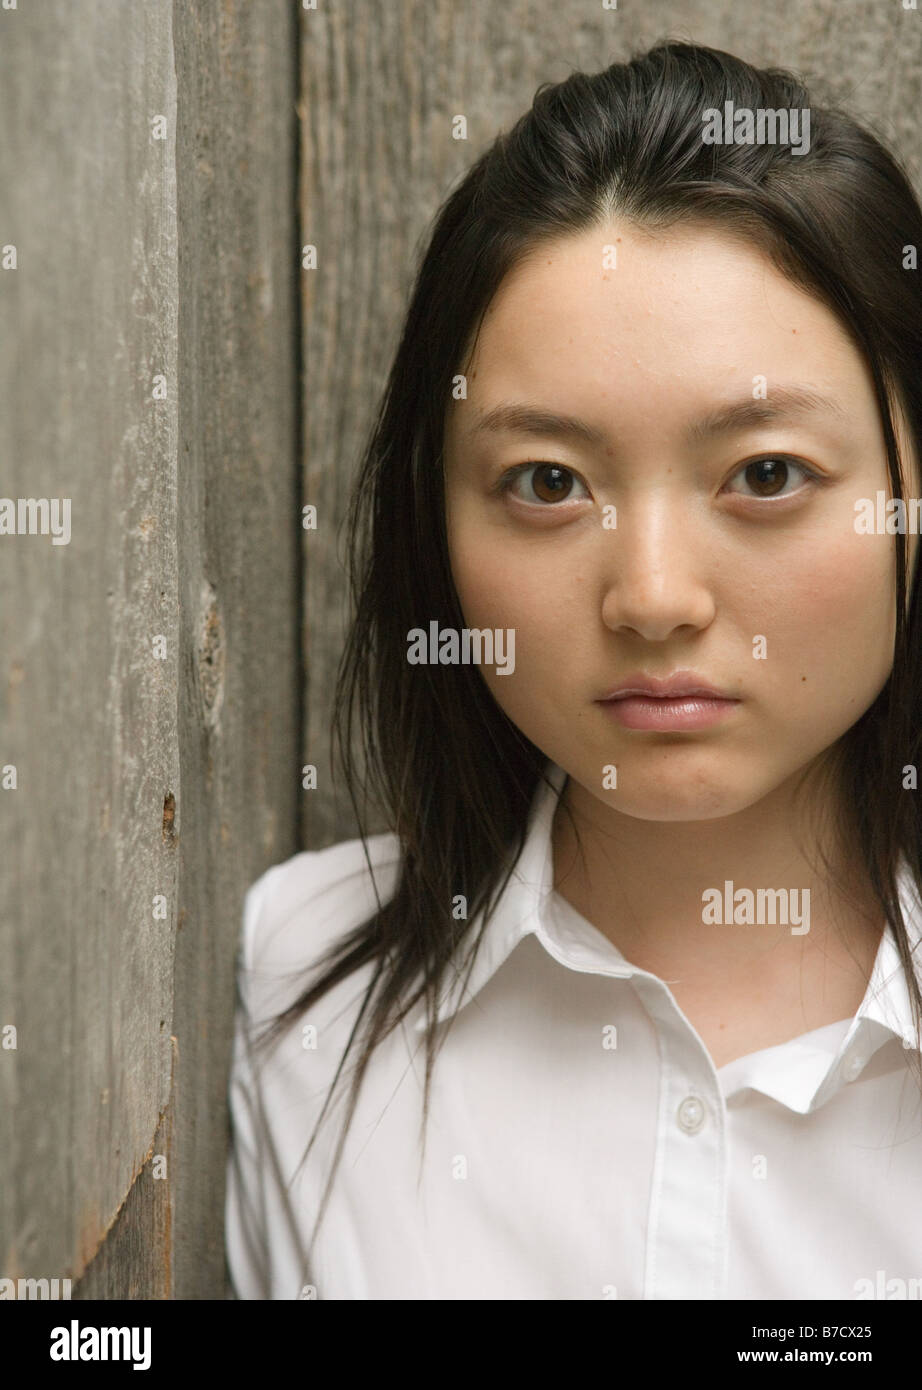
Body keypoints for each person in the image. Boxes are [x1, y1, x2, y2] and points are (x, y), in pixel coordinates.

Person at [225, 39, 922, 1300]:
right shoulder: (299, 994)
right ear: (434, 523)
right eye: (547, 483)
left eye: (765, 473)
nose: (653, 595)